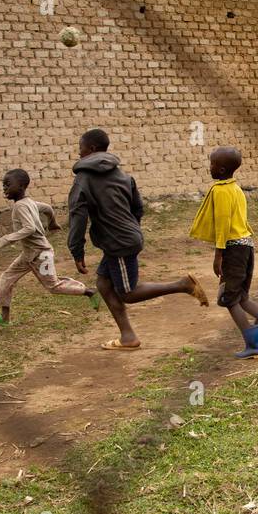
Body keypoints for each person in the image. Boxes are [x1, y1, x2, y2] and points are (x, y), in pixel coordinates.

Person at [67, 128, 208, 350]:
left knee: (128, 293)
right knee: (103, 283)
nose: (78, 153)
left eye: (80, 149)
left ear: (92, 149)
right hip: (123, 239)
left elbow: (77, 216)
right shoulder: (122, 175)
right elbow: (138, 208)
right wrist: (131, 229)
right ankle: (128, 336)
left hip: (119, 243)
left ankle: (182, 285)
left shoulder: (83, 179)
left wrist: (76, 250)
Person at [190, 146, 258, 359]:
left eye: (212, 164)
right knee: (241, 296)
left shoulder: (221, 190)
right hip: (245, 246)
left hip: (233, 249)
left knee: (227, 298)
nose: (210, 168)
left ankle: (256, 342)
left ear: (222, 169)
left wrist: (218, 254)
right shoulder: (235, 188)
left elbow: (223, 224)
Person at [0, 168, 96, 325]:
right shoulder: (28, 202)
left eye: (8, 184)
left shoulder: (20, 206)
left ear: (22, 186)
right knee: (7, 277)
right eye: (3, 185)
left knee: (53, 286)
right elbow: (48, 208)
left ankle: (89, 291)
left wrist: (5, 240)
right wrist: (53, 223)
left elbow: (29, 228)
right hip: (29, 254)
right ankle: (4, 317)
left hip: (41, 255)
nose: (5, 188)